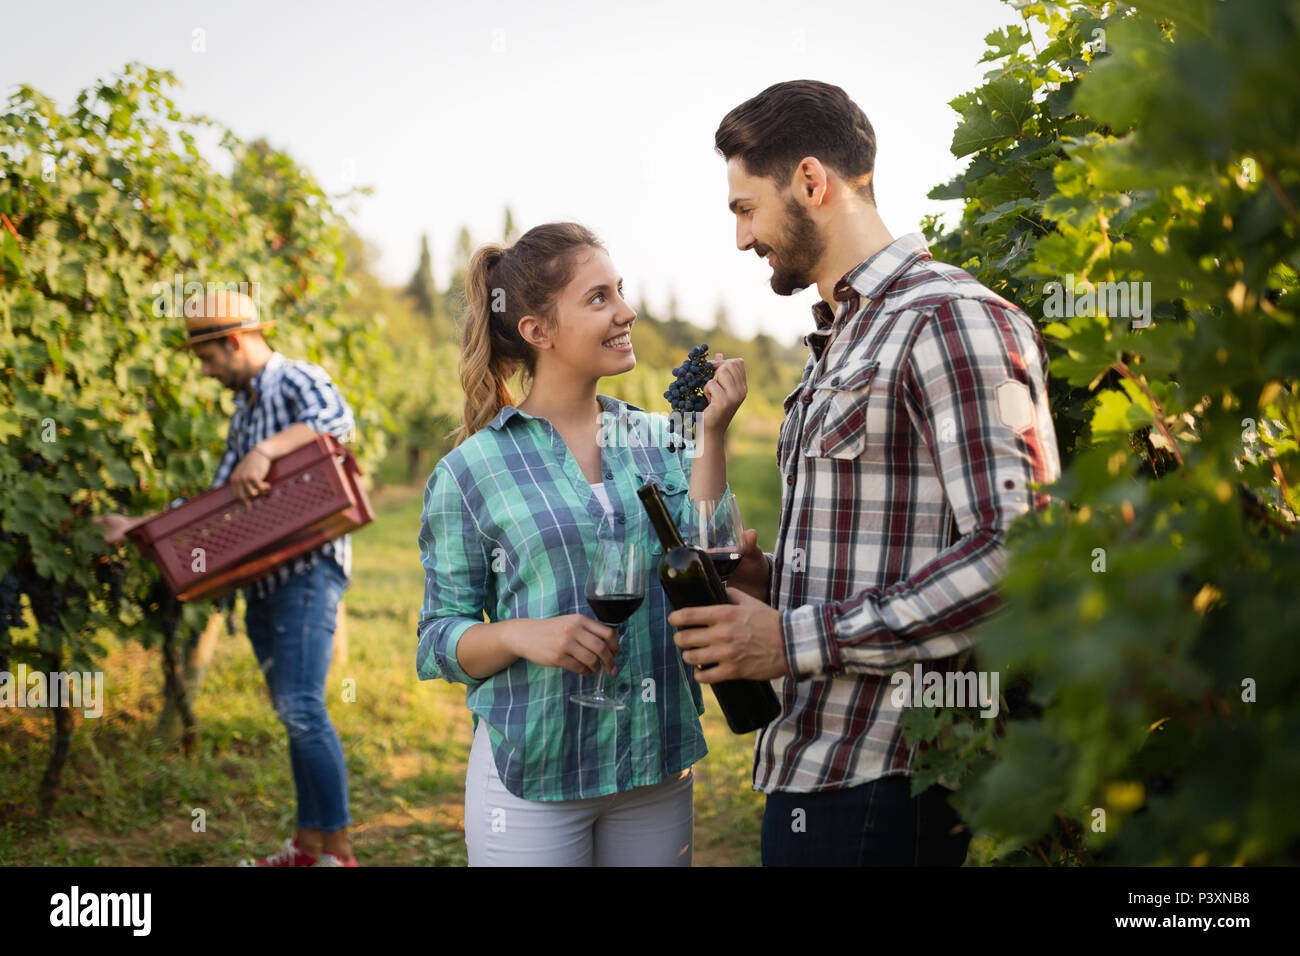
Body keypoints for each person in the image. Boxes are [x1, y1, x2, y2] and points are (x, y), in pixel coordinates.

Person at [667, 80, 1063, 866]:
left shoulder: (948, 318)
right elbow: (889, 550)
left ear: (811, 183)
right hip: (819, 758)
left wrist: (789, 637)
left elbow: (1021, 555)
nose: (742, 239)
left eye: (745, 209)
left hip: (889, 774)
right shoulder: (846, 338)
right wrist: (772, 578)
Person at [416, 222, 746, 866]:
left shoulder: (657, 438)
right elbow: (438, 638)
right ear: (537, 331)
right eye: (598, 298)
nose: (626, 311)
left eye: (619, 291)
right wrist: (520, 635)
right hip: (536, 771)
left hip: (654, 761)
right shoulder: (470, 471)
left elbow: (707, 558)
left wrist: (713, 434)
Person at [95, 289, 360, 867]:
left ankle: (339, 853)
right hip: (262, 579)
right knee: (293, 710)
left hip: (307, 569)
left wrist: (267, 451)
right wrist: (142, 524)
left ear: (235, 341)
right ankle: (308, 847)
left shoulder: (295, 379)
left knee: (302, 706)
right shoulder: (243, 412)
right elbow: (217, 500)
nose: (207, 371)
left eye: (209, 358)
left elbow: (338, 421)